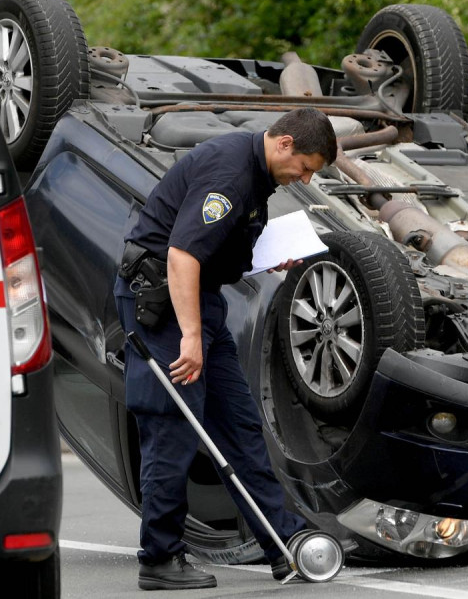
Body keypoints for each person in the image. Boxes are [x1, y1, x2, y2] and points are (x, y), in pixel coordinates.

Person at [113, 107, 339, 590]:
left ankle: (283, 543)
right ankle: (160, 557)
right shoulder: (230, 174)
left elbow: (215, 245)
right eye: (306, 167)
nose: (305, 178)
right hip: (164, 306)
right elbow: (182, 254)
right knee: (173, 427)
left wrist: (262, 258)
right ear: (285, 144)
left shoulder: (257, 175)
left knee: (239, 425)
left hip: (198, 301)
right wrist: (191, 336)